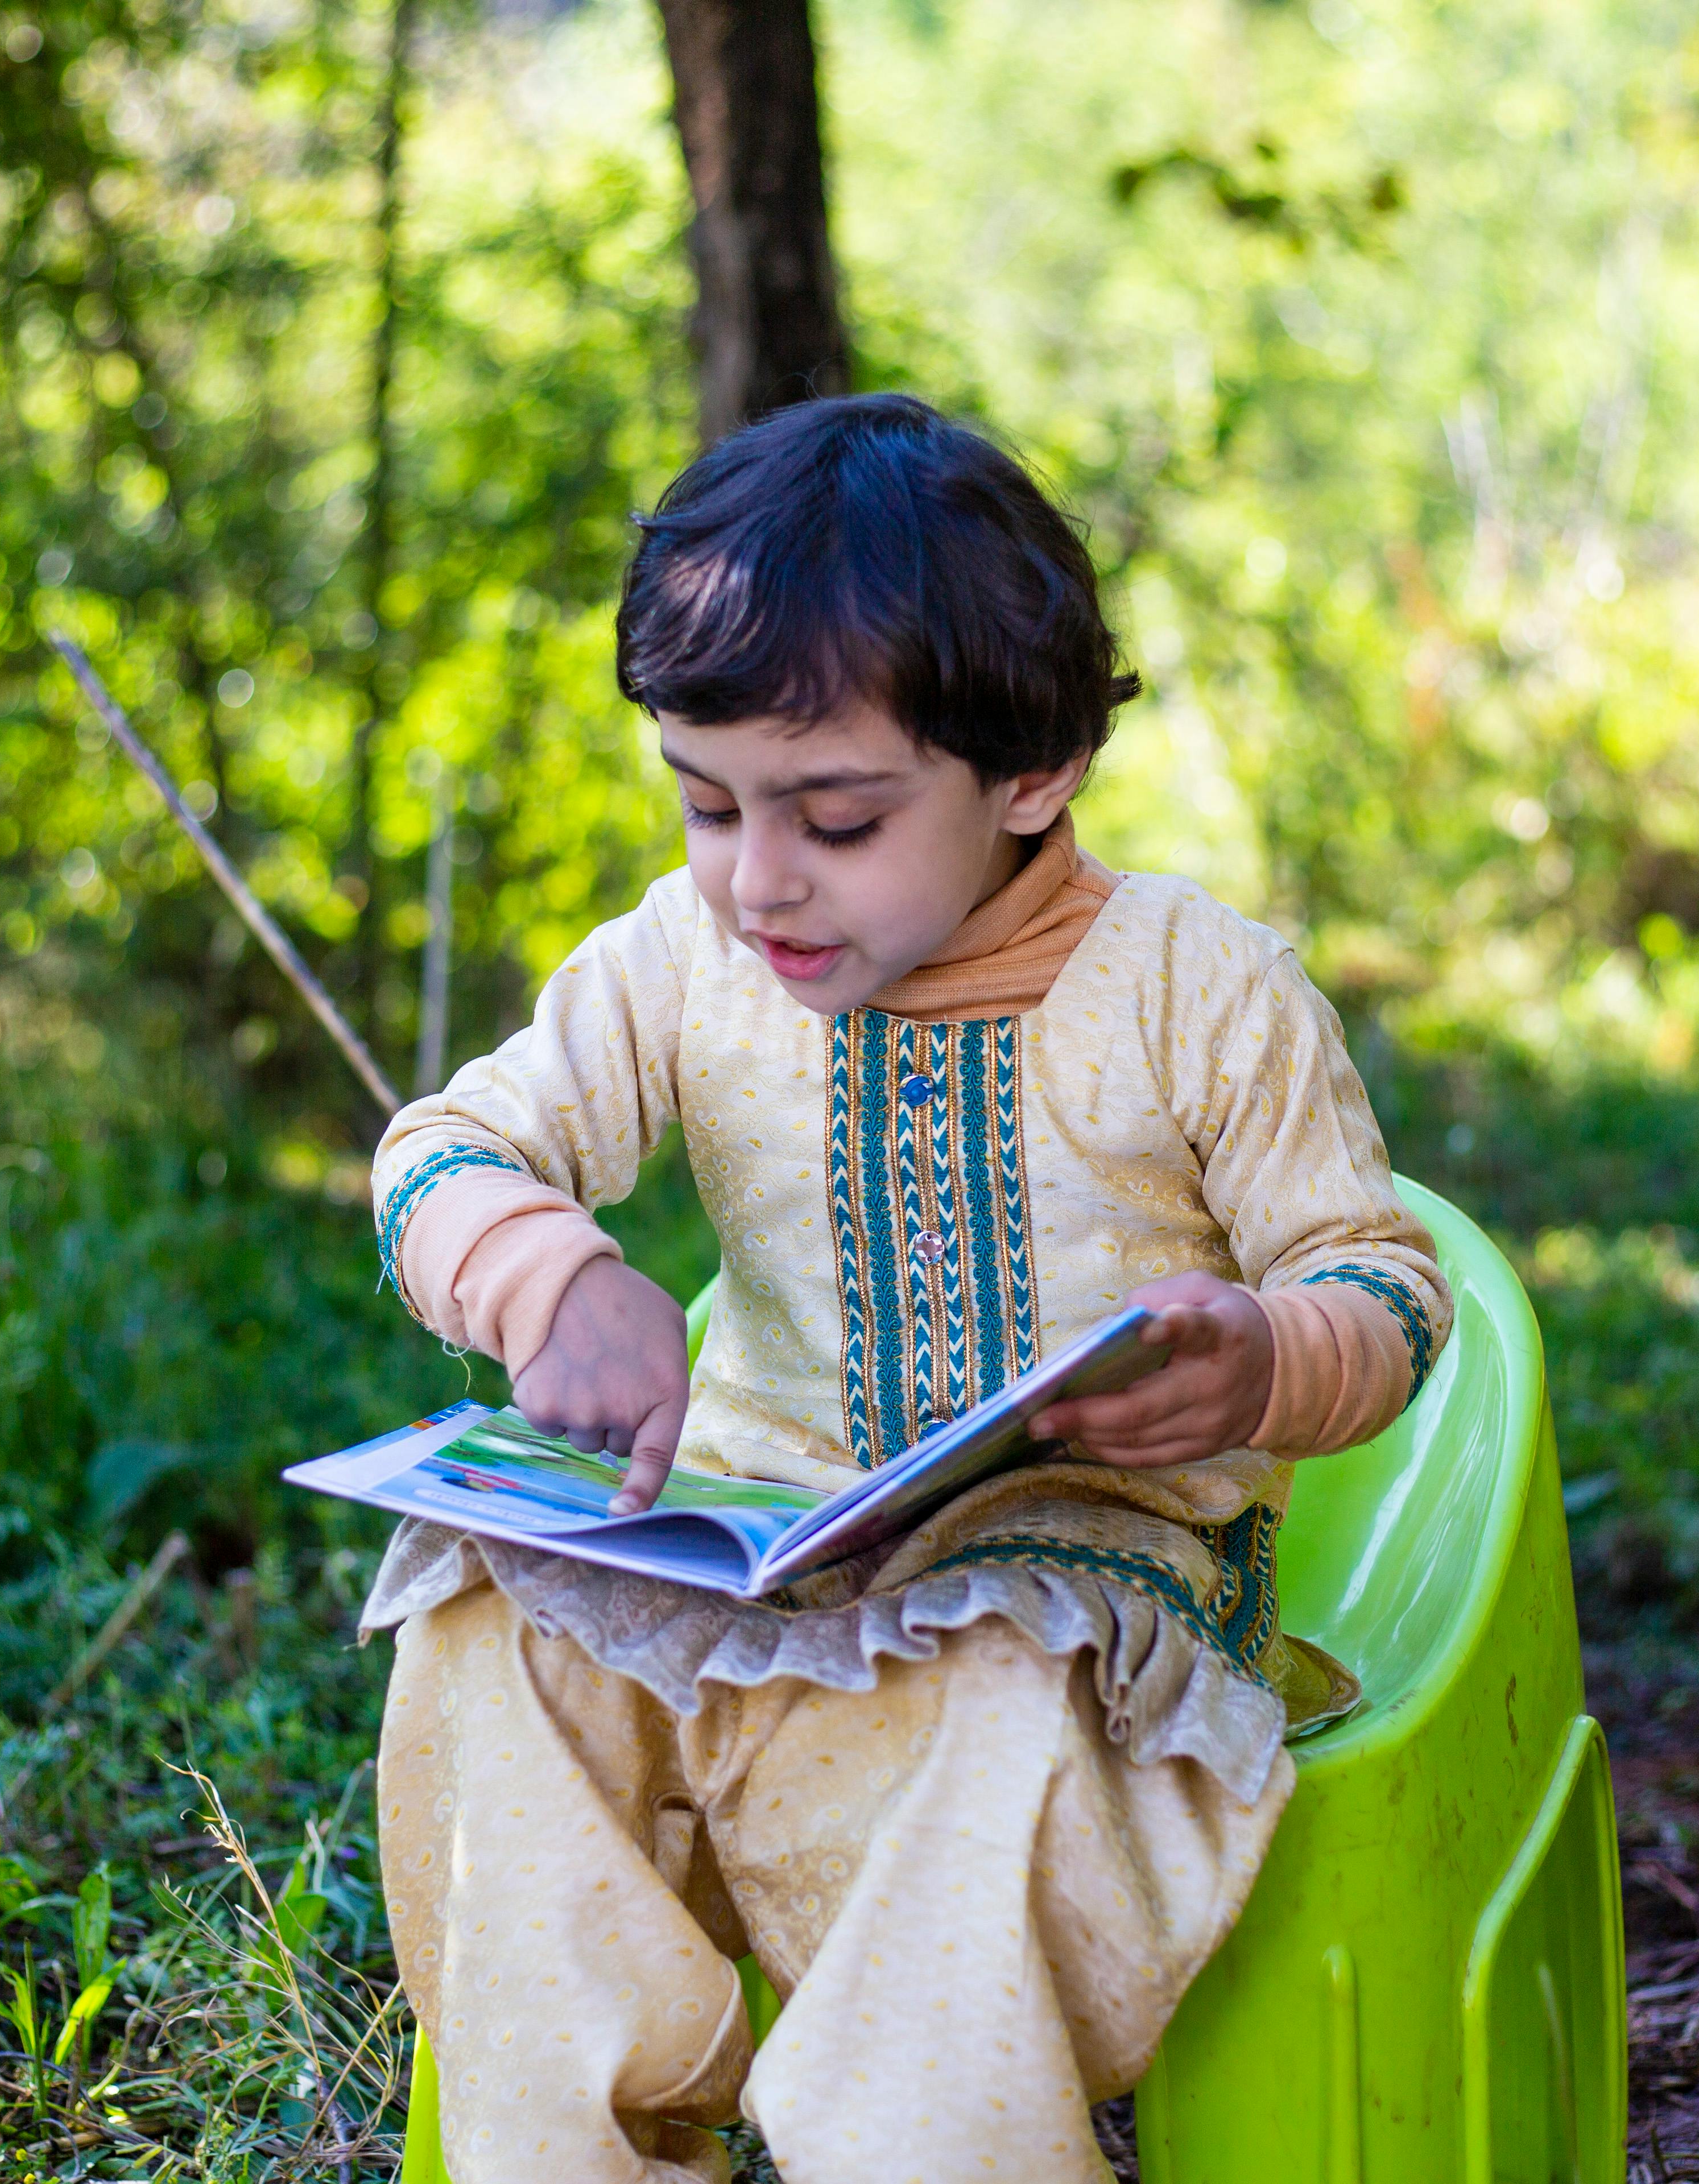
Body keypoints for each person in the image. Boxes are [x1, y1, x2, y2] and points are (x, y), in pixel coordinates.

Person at [362, 393, 1450, 2184]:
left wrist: (1263, 1362)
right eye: (707, 803)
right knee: (487, 1628)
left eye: (837, 819)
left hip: (1073, 1619)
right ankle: (574, 2153)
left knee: (993, 1681)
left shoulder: (1199, 988)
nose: (756, 876)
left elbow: (1388, 1288)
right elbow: (439, 1152)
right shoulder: (682, 962)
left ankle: (924, 2146)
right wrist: (549, 1280)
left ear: (1033, 774)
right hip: (746, 1577)